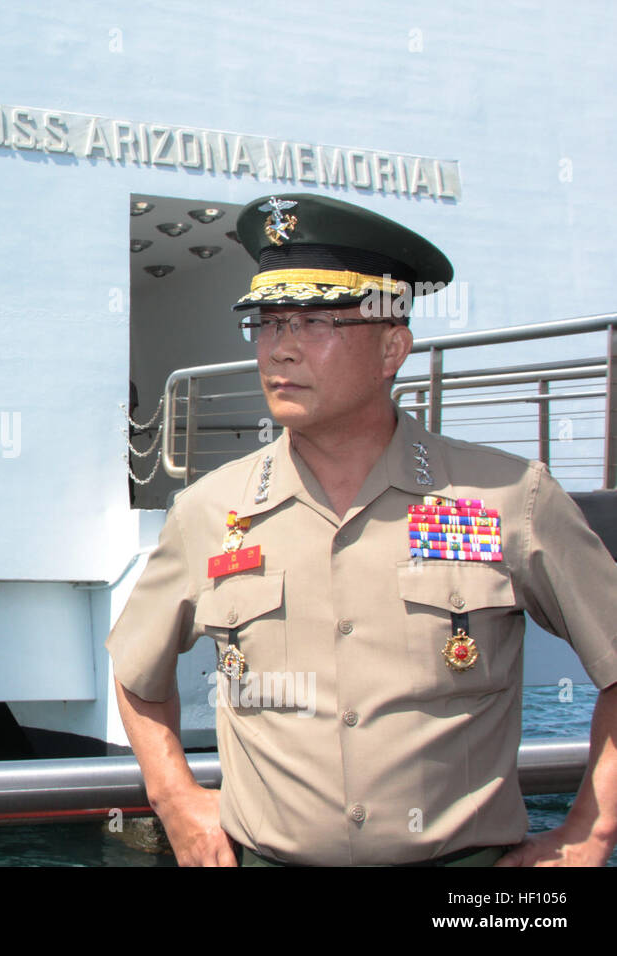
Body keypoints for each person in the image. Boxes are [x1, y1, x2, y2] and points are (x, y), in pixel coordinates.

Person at [107, 193, 617, 867]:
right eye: (266, 323)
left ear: (391, 348)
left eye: (313, 322)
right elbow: (137, 671)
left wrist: (589, 835)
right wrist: (176, 801)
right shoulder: (209, 509)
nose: (280, 348)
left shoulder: (507, 498)